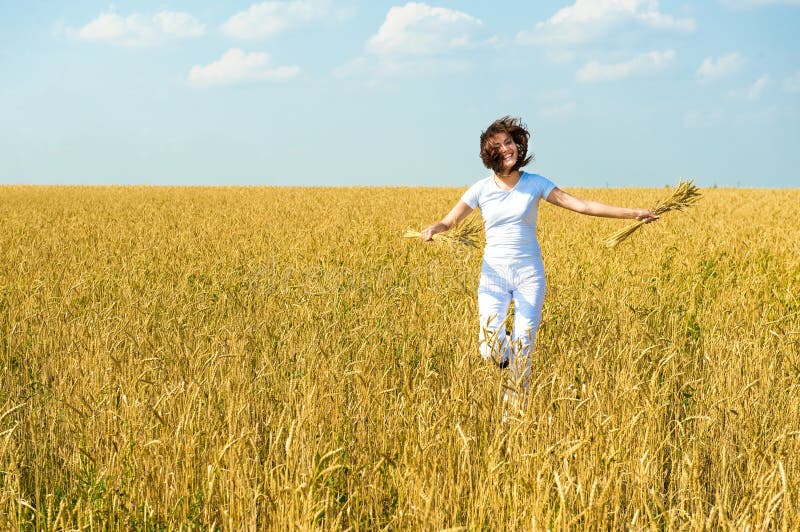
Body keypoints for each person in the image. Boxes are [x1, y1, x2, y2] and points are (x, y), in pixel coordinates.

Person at [420, 116, 658, 409]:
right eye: (499, 145)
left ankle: (515, 413)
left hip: (528, 275)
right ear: (488, 154)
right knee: (489, 345)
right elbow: (449, 221)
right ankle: (504, 360)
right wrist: (433, 229)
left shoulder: (534, 184)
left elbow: (581, 205)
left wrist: (633, 213)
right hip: (493, 275)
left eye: (510, 142)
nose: (507, 148)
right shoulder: (480, 189)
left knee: (524, 345)